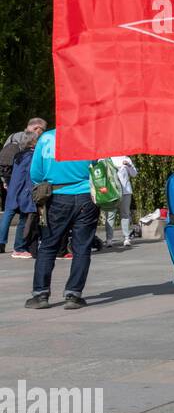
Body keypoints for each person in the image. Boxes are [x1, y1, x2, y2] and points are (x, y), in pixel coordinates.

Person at [27, 129, 97, 310]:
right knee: (82, 248)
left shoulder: (47, 138)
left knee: (48, 246)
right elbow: (99, 168)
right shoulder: (90, 135)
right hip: (86, 196)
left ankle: (40, 294)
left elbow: (35, 173)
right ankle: (74, 295)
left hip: (57, 196)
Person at [0, 118, 47, 251]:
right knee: (24, 214)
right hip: (23, 181)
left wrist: (5, 181)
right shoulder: (29, 139)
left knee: (8, 212)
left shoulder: (12, 136)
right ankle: (20, 246)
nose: (42, 133)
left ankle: (1, 242)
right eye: (42, 130)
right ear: (37, 128)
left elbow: (5, 161)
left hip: (12, 178)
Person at [3, 134, 40, 259]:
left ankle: (16, 246)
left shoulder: (19, 155)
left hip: (15, 190)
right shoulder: (31, 156)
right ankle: (19, 248)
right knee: (24, 220)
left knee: (20, 218)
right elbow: (30, 175)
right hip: (24, 191)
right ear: (33, 143)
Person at [102, 155, 138, 248]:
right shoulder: (105, 158)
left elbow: (134, 174)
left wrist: (129, 165)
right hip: (112, 192)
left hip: (126, 191)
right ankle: (109, 240)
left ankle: (126, 238)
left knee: (125, 214)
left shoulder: (126, 158)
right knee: (110, 216)